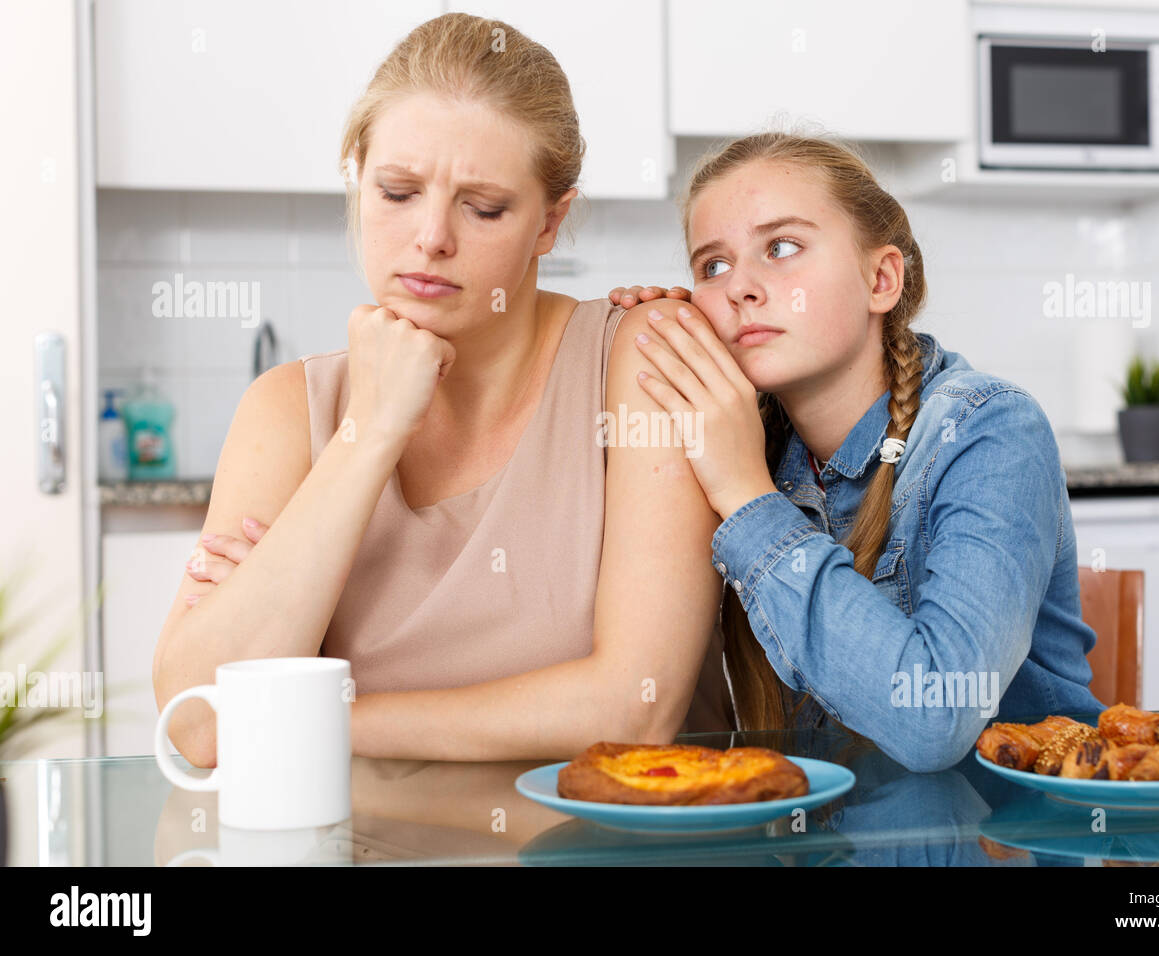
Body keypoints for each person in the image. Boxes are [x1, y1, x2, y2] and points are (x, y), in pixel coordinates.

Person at [152, 13, 734, 767]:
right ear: (356, 177)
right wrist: (372, 430)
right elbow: (198, 728)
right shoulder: (286, 409)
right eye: (396, 192)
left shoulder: (640, 361)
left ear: (551, 221)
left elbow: (634, 709)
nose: (431, 237)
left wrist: (302, 719)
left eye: (483, 208)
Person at [606, 131, 1105, 773]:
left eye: (781, 248)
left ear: (881, 278)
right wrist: (644, 341)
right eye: (713, 266)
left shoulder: (991, 429)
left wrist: (746, 497)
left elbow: (935, 718)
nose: (740, 289)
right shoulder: (746, 437)